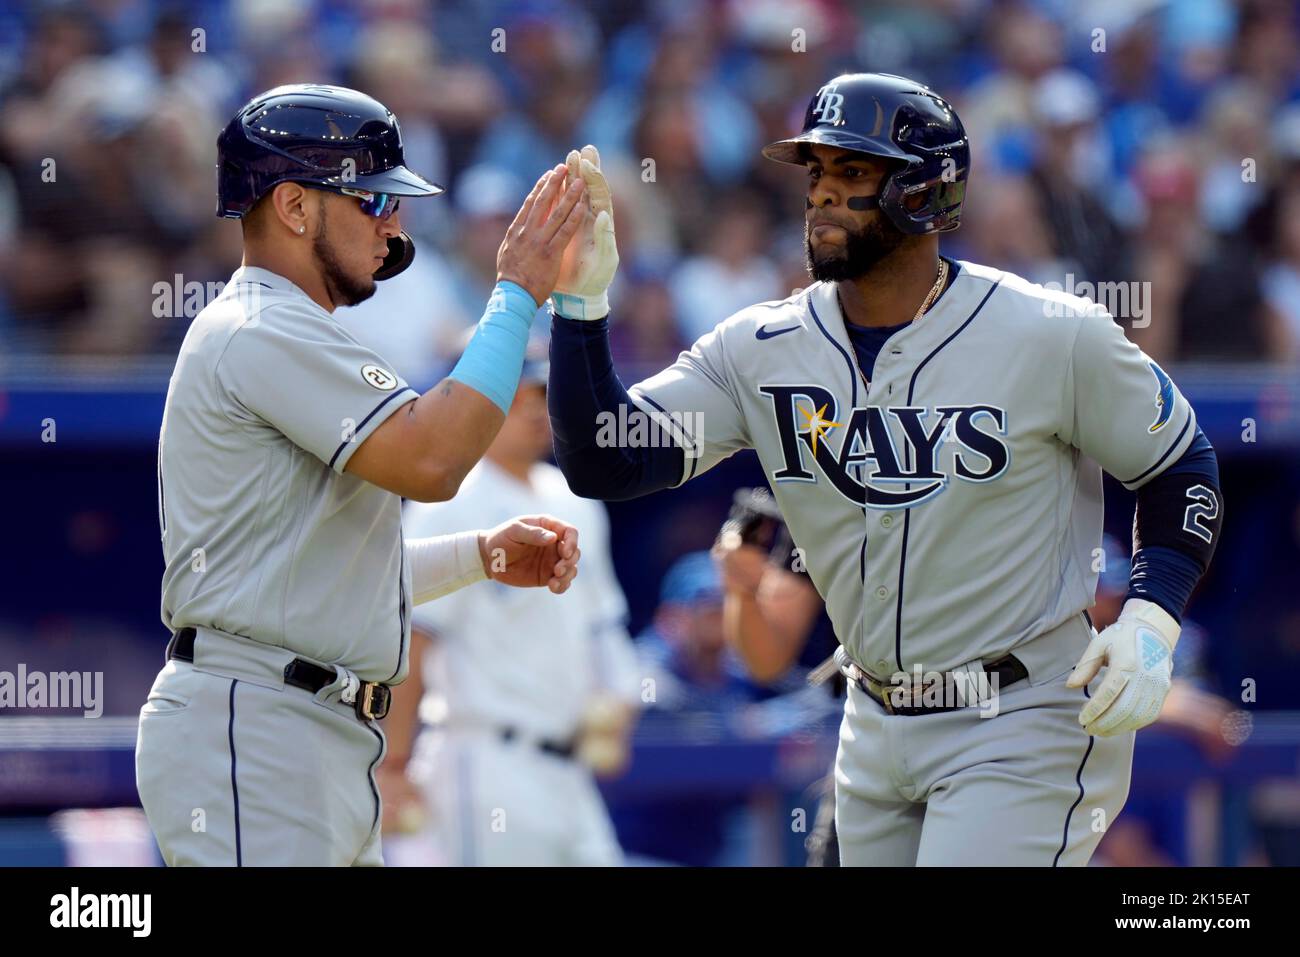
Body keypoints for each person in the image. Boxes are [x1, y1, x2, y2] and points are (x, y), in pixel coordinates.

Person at [545, 74, 1223, 866]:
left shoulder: (1049, 333)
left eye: (853, 173)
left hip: (1016, 711)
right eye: (817, 174)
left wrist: (1151, 617)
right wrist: (581, 310)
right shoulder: (758, 346)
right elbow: (608, 457)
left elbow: (1181, 464)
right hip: (870, 718)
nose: (823, 195)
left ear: (923, 191)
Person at [135, 84, 589, 866]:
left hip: (307, 732)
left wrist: (480, 554)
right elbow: (433, 458)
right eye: (373, 199)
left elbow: (328, 576)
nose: (393, 226)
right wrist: (516, 292)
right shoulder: (262, 325)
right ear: (293, 206)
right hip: (260, 727)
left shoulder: (292, 329)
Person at [378, 351, 641, 866]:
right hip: (485, 757)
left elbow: (602, 626)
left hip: (570, 766)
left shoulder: (573, 499)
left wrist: (622, 701)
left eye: (542, 398)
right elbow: (412, 636)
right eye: (518, 398)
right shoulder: (448, 498)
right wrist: (393, 763)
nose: (534, 412)